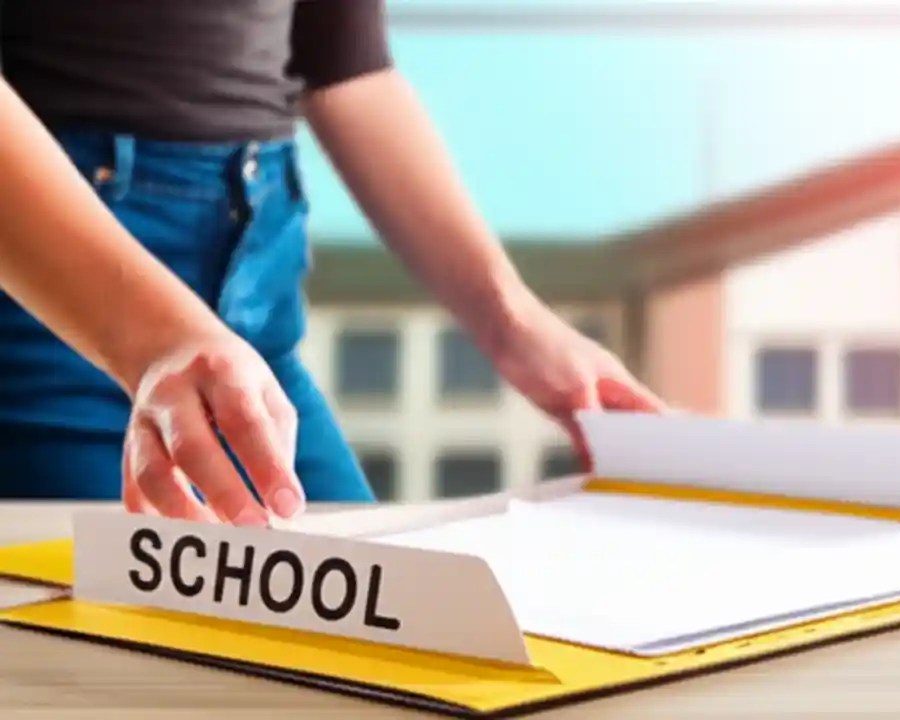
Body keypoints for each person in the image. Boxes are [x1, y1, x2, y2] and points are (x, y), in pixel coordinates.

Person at [0, 1, 662, 526]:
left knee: (385, 626)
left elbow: (346, 64)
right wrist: (151, 335)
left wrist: (510, 320)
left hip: (255, 297)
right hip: (53, 295)